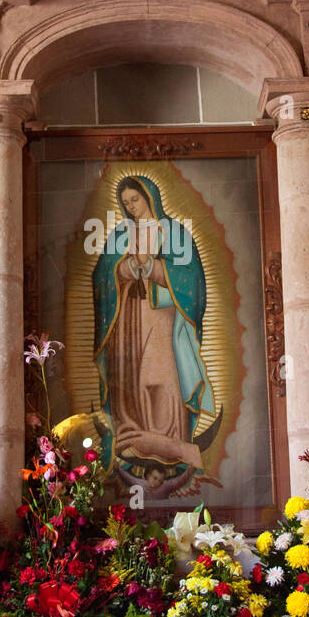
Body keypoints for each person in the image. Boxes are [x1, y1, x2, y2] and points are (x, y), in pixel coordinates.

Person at [92, 174, 214, 476]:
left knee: (160, 375)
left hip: (161, 316)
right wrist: (125, 268)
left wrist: (153, 267)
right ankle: (131, 435)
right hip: (127, 319)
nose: (132, 207)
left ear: (149, 197)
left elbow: (193, 279)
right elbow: (102, 275)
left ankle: (170, 439)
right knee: (130, 376)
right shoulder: (120, 235)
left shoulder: (174, 233)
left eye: (135, 199)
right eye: (126, 203)